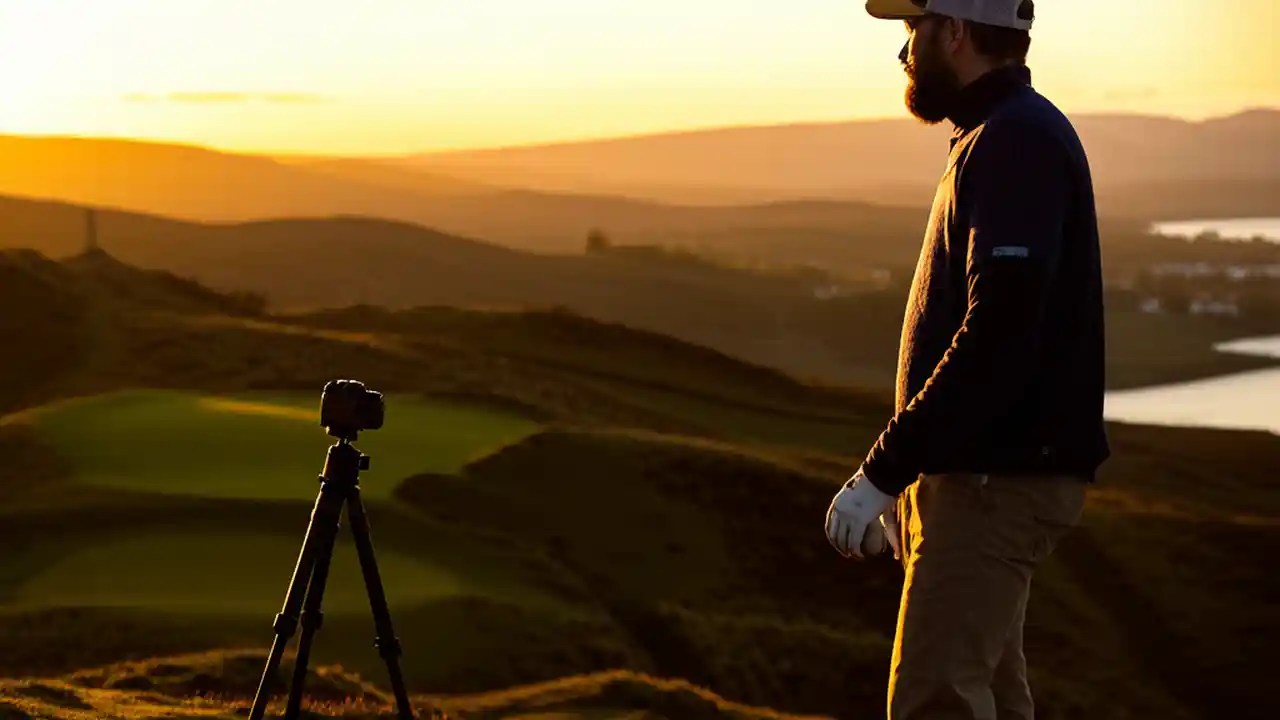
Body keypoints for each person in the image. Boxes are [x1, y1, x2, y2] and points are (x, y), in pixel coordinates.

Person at [823, 1, 1110, 718]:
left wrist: (884, 472)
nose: (904, 53)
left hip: (994, 483)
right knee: (993, 697)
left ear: (953, 31)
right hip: (978, 480)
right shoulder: (1001, 134)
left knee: (935, 701)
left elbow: (1000, 328)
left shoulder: (1016, 141)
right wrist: (917, 483)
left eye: (912, 32)